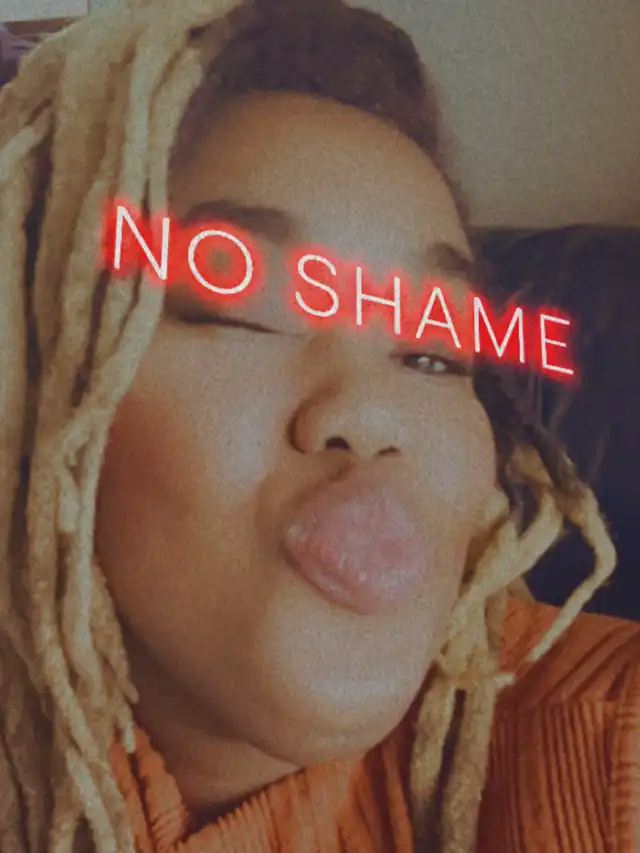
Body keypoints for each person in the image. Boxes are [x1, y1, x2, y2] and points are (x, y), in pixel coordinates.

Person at [0, 1, 637, 852]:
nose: (373, 410)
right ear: (34, 379)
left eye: (434, 352)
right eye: (243, 306)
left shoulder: (615, 746)